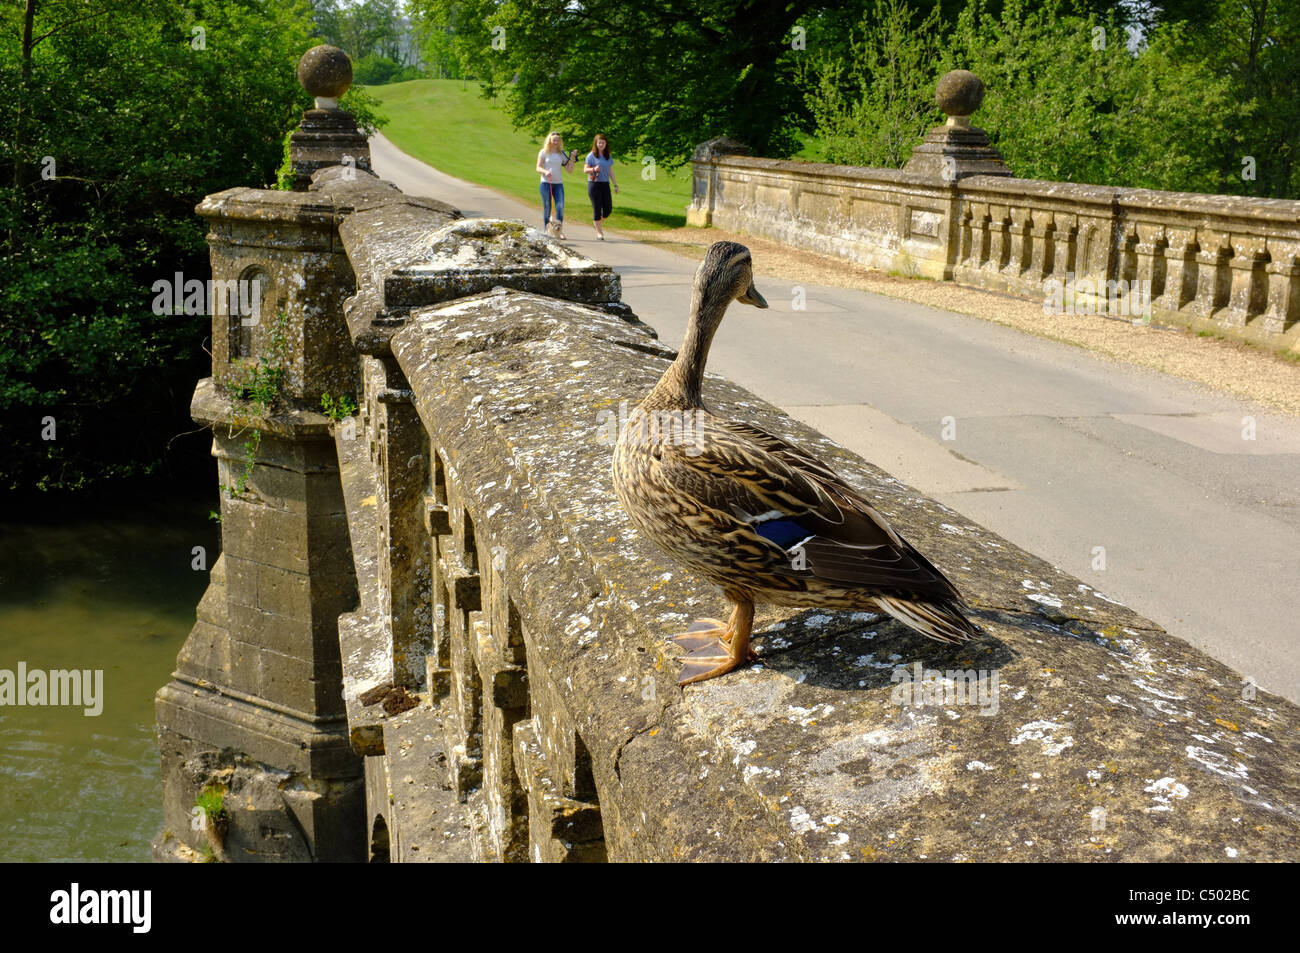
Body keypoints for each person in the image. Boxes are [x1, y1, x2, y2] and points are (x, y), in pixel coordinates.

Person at [535, 132, 578, 239]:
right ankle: (547, 231)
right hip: (546, 183)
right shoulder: (543, 152)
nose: (555, 142)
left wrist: (572, 157)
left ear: (560, 142)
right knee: (547, 207)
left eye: (557, 140)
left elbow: (569, 170)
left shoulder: (561, 154)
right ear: (549, 140)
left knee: (560, 207)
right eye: (554, 140)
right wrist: (545, 172)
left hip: (558, 184)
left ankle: (559, 231)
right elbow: (538, 167)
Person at [584, 134, 619, 240]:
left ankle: (596, 222)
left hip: (605, 184)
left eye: (603, 143)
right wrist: (594, 169)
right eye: (599, 142)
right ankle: (599, 232)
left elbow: (611, 171)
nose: (601, 144)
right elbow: (585, 170)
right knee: (597, 208)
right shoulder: (591, 156)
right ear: (596, 143)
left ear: (606, 144)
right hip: (594, 184)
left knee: (608, 209)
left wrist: (615, 184)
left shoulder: (608, 156)